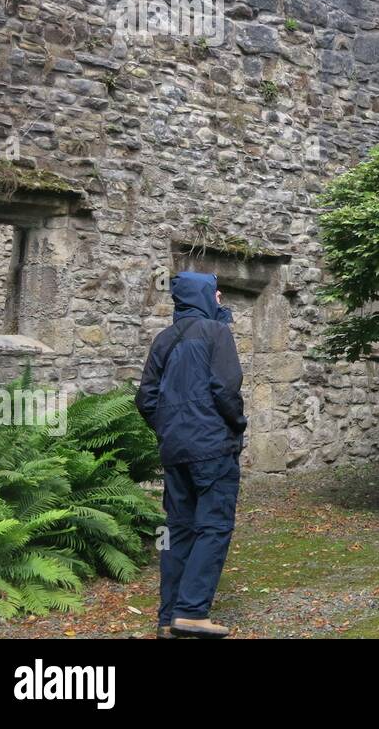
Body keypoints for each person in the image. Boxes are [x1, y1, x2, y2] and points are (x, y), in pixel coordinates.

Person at [136, 271, 245, 639]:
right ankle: (192, 612)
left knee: (178, 529)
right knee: (213, 526)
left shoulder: (164, 340)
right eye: (215, 293)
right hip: (212, 447)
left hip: (176, 450)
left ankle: (168, 618)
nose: (220, 299)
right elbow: (226, 389)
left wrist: (170, 428)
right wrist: (237, 426)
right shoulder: (216, 333)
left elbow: (146, 399)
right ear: (204, 295)